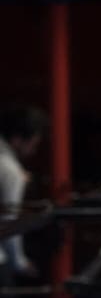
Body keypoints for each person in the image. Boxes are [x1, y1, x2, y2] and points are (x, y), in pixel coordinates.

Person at [0, 105, 48, 282]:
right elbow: (9, 222)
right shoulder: (10, 170)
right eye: (33, 144)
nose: (33, 152)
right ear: (17, 140)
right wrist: (19, 262)